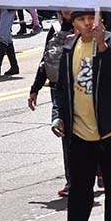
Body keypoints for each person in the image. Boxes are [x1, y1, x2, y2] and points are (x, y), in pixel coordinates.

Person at [49, 11, 111, 221]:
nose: (88, 22)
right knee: (79, 188)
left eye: (91, 17)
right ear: (73, 22)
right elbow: (61, 89)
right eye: (81, 18)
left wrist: (102, 47)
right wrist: (57, 115)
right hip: (80, 131)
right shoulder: (69, 47)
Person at [29, 11, 84, 198]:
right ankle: (72, 180)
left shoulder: (89, 27)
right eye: (62, 8)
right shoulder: (55, 29)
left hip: (84, 91)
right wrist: (35, 88)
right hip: (59, 90)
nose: (66, 11)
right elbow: (46, 59)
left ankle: (99, 170)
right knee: (66, 135)